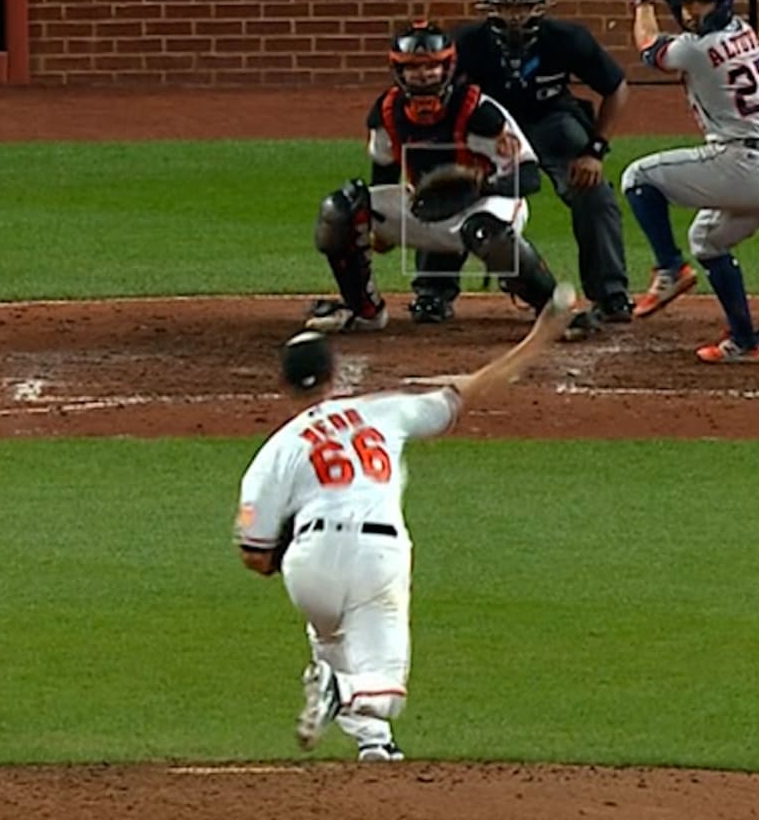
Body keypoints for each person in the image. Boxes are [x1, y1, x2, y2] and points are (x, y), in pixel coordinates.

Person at [237, 284, 581, 760]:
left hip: (308, 567)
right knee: (385, 687)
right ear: (335, 373)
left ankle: (374, 742)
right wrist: (541, 335)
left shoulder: (274, 450)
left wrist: (287, 550)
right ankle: (343, 692)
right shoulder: (379, 411)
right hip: (376, 557)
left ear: (286, 384)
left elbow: (254, 555)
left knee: (328, 636)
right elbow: (473, 389)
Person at [408, 0, 634, 341]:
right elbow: (442, 93)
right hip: (489, 128)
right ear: (489, 9)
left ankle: (611, 293)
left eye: (524, 8)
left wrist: (595, 150)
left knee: (594, 192)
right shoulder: (466, 43)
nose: (515, 17)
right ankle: (433, 291)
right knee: (450, 188)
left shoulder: (568, 39)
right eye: (506, 8)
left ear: (540, 9)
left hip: (552, 122)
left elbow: (616, 88)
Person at [304, 19, 561, 335]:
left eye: (431, 66)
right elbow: (383, 176)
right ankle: (365, 312)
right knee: (339, 209)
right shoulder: (387, 112)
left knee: (485, 232)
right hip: (426, 205)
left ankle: (554, 310)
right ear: (398, 70)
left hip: (485, 204)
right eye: (413, 67)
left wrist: (479, 187)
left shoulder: (479, 111)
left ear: (447, 66)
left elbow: (529, 176)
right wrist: (375, 226)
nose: (423, 74)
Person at [620, 0, 759, 362]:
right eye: (687, 4)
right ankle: (745, 341)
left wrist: (643, 1)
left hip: (742, 166)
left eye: (699, 3)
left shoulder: (696, 50)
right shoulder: (744, 31)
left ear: (719, 3)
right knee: (707, 241)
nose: (691, 12)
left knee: (637, 178)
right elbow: (691, 28)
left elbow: (650, 48)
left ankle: (669, 269)